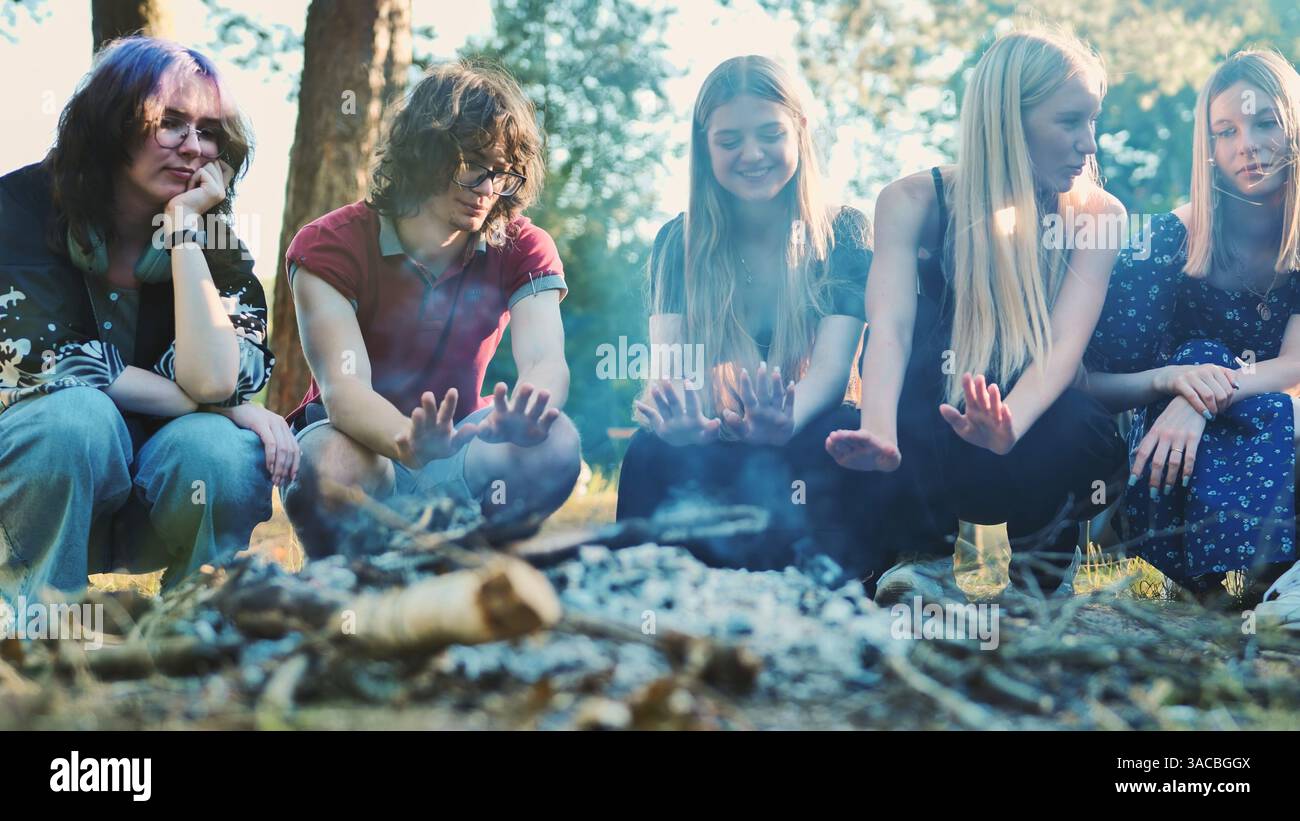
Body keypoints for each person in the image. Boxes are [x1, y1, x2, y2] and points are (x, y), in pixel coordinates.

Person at [826, 26, 1128, 603]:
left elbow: (1064, 343)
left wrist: (1008, 424)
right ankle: (922, 558)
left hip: (1026, 418)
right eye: (1070, 122)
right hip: (936, 421)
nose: (1089, 144)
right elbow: (886, 327)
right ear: (1009, 121)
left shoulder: (1099, 216)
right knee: (915, 364)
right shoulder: (912, 201)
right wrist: (879, 430)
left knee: (1077, 425)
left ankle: (1029, 576)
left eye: (1093, 121)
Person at [0, 37, 288, 604]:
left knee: (224, 452)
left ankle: (198, 625)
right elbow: (48, 360)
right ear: (114, 124)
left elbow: (216, 377)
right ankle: (37, 625)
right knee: (75, 419)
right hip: (45, 477)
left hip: (159, 476)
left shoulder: (212, 234)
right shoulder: (18, 205)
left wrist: (184, 232)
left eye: (209, 132)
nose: (194, 148)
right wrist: (222, 407)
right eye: (172, 124)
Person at [281, 61, 581, 558]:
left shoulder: (524, 244)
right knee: (332, 462)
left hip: (461, 451)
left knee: (555, 442)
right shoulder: (329, 244)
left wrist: (530, 409)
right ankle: (344, 579)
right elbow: (344, 392)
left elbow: (546, 361)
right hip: (362, 446)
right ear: (424, 154)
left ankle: (473, 563)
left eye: (503, 174)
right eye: (473, 167)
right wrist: (407, 440)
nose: (489, 189)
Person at [615, 55, 873, 575]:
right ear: (704, 147)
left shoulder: (843, 233)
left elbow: (832, 371)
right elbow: (670, 369)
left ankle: (839, 582)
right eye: (729, 142)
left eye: (769, 134)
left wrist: (786, 419)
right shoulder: (677, 242)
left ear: (799, 130)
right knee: (649, 451)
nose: (752, 154)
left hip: (804, 441)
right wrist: (678, 417)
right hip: (718, 447)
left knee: (844, 429)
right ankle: (646, 585)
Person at [1085, 49, 1300, 627]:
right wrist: (1175, 383)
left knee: (1267, 399)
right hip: (1168, 457)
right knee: (1199, 354)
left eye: (1265, 123)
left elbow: (1294, 365)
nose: (1247, 146)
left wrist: (1201, 395)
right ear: (1208, 147)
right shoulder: (1164, 246)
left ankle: (1279, 579)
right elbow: (1094, 381)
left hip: (1273, 422)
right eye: (1225, 131)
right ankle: (1204, 569)